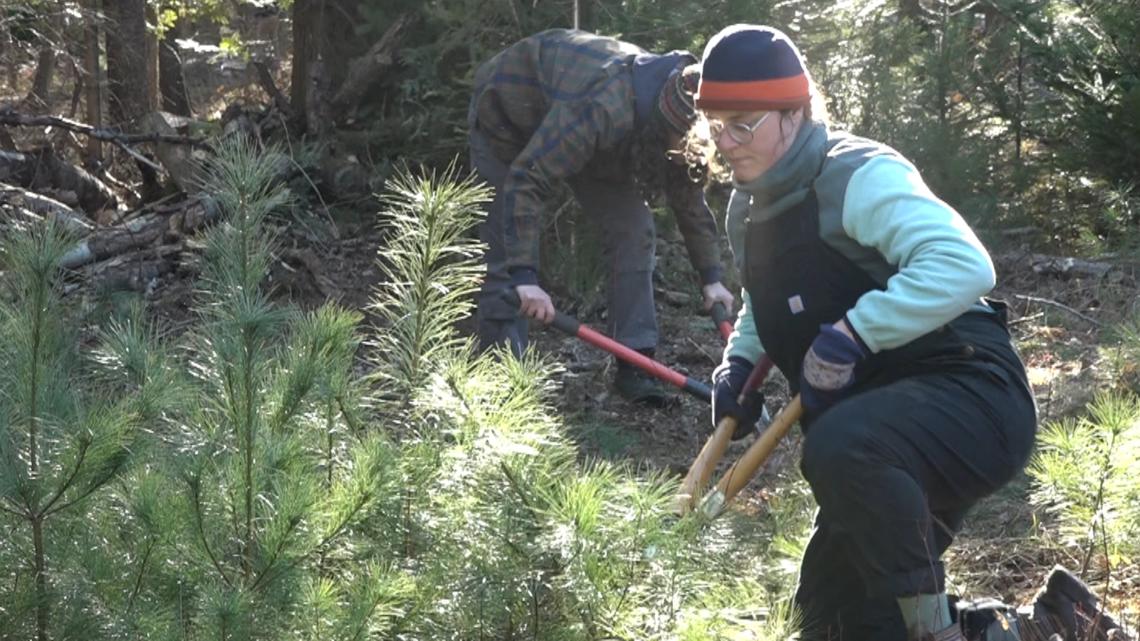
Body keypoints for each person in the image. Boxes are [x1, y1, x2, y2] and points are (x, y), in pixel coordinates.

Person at [695, 23, 1123, 641]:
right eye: (715, 125)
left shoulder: (857, 175)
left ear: (795, 112)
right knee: (833, 623)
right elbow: (766, 298)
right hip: (878, 433)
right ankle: (1056, 622)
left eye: (744, 123)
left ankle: (935, 631)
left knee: (838, 446)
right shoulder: (749, 206)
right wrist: (740, 366)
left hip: (971, 398)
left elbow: (964, 265)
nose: (727, 142)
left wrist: (854, 333)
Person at [468, 28, 734, 405]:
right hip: (507, 117)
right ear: (662, 127)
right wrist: (525, 276)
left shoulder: (681, 103)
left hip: (580, 133)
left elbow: (686, 194)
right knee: (505, 259)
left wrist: (712, 278)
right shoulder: (603, 107)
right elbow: (529, 177)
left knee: (634, 229)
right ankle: (502, 383)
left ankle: (636, 364)